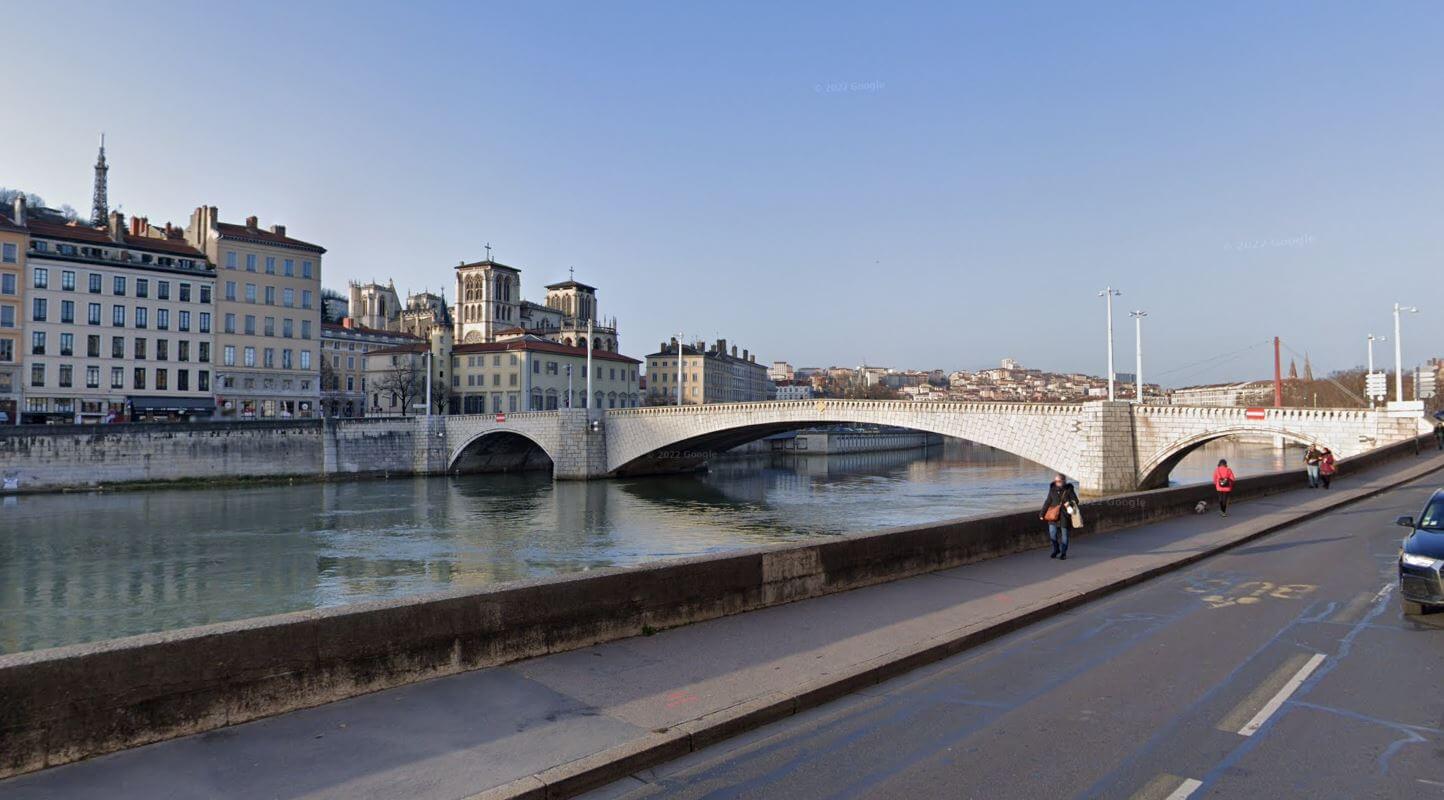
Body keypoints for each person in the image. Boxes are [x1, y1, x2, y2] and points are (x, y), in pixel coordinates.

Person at [1039, 473, 1080, 560]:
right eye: (1055, 481)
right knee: (1052, 534)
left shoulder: (1069, 490)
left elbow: (1076, 501)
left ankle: (1063, 553)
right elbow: (1047, 502)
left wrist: (1069, 503)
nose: (1056, 482)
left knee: (1064, 536)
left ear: (1064, 481)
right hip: (1053, 516)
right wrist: (1042, 514)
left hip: (1064, 516)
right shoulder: (1052, 490)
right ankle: (1056, 549)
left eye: (1058, 481)